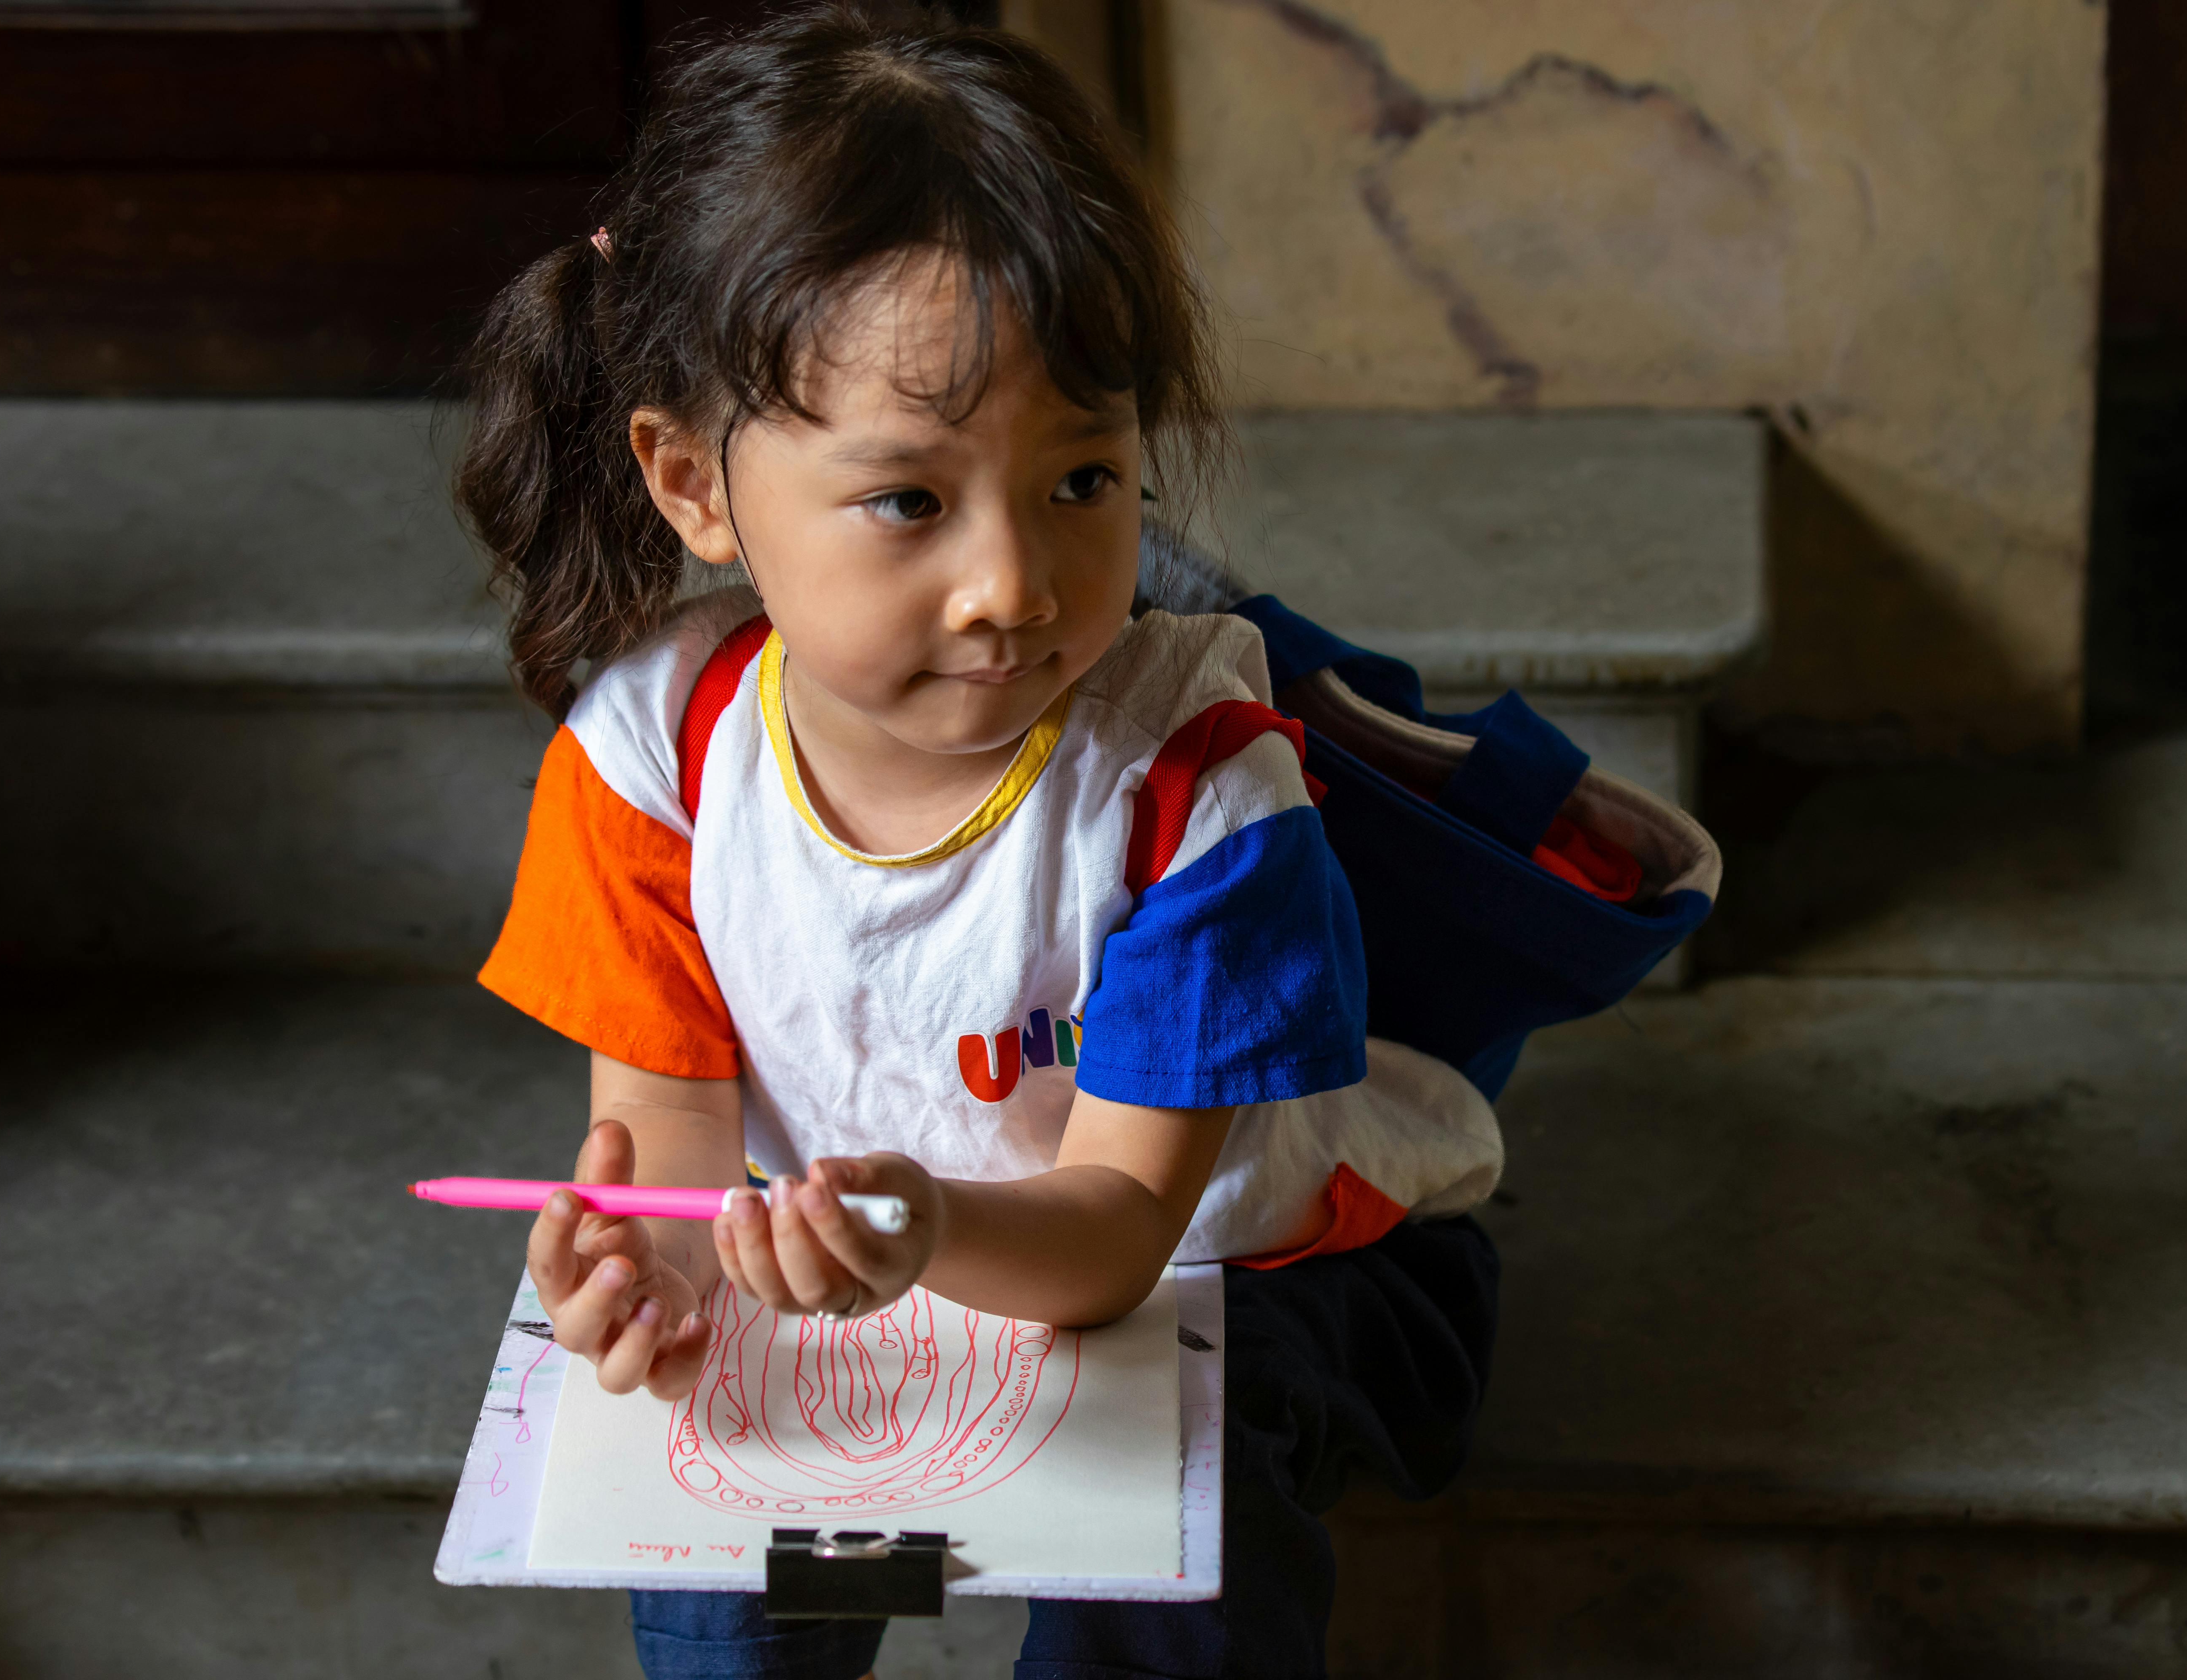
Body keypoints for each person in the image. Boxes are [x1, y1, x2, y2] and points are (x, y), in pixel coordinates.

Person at [456, 6, 1501, 1676]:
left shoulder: (1200, 799)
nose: (1016, 583)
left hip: (1207, 1269)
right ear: (690, 483)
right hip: (871, 1260)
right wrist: (639, 1267)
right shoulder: (655, 766)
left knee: (1162, 1573)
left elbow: (1107, 1237)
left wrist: (927, 1235)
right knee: (738, 1562)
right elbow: (659, 1142)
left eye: (1084, 479)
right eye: (912, 501)